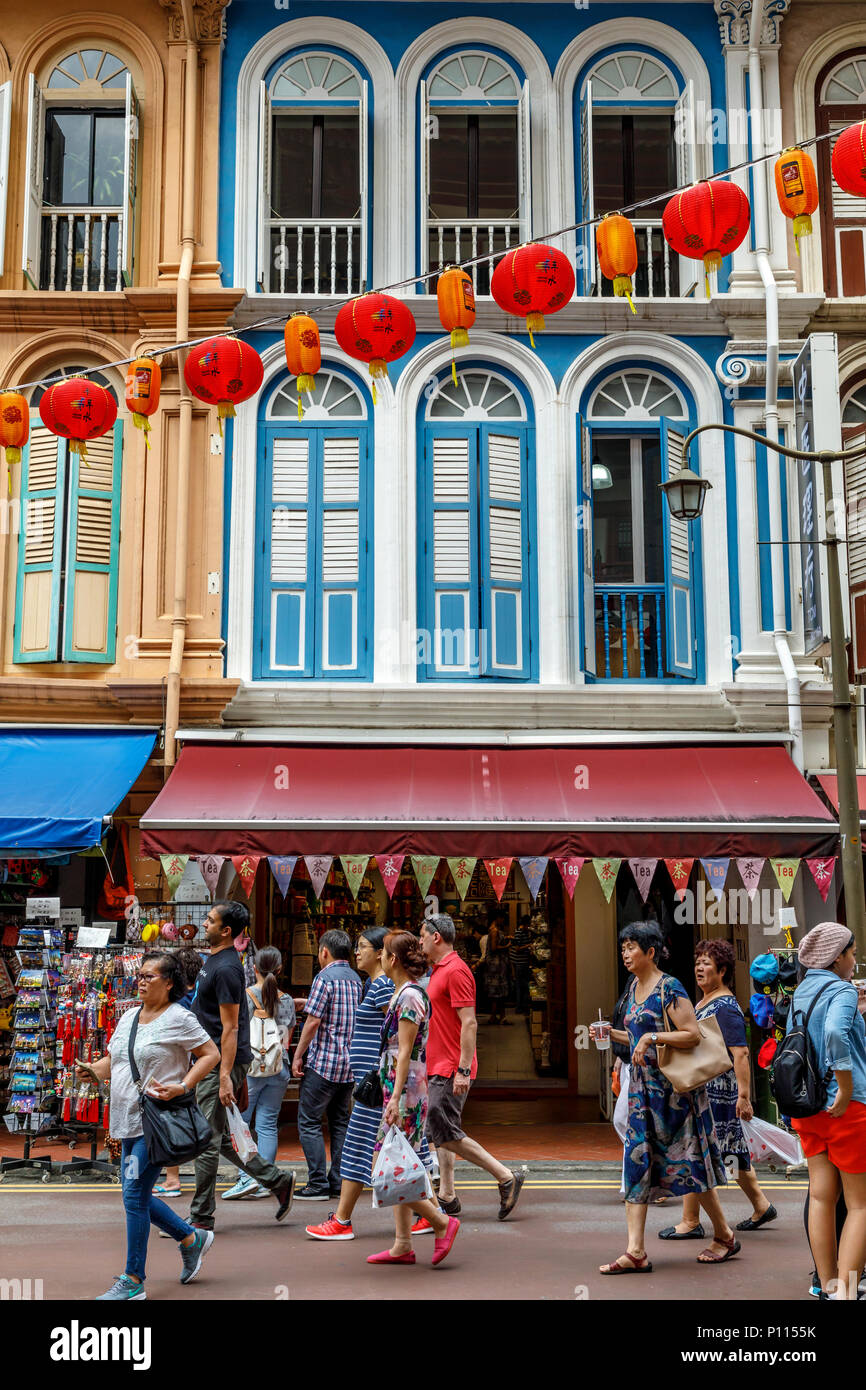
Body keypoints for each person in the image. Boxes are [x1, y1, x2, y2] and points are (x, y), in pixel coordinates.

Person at [592, 921, 737, 1274]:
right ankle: (635, 1251)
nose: (625, 954)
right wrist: (611, 1033)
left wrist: (651, 1039)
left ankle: (724, 1234)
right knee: (636, 1163)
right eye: (623, 948)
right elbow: (635, 1035)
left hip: (676, 1094)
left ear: (651, 952)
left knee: (692, 1165)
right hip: (643, 1093)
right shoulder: (633, 987)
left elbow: (691, 1034)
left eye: (632, 947)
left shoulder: (669, 987)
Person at [76, 952, 220, 1300]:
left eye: (149, 976)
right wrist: (93, 1070)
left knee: (133, 1196)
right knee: (134, 1194)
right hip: (125, 1119)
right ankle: (191, 1238)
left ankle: (133, 1280)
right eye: (139, 975)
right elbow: (115, 1060)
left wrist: (183, 1086)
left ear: (169, 983)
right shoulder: (129, 1016)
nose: (140, 981)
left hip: (155, 1122)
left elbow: (211, 1054)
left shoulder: (180, 1018)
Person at [188, 901, 296, 1230]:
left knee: (206, 1140)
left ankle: (201, 1217)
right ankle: (277, 1181)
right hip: (209, 1061)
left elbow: (232, 1027)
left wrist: (225, 1076)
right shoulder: (214, 961)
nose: (203, 924)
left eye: (210, 921)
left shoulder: (226, 968)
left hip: (217, 1063)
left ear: (226, 931)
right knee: (219, 1138)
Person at [660, 939, 776, 1241]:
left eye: (706, 963)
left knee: (696, 1149)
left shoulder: (724, 1007)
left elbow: (740, 1053)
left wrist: (744, 1096)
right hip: (706, 1088)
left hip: (718, 1093)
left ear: (722, 971)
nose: (699, 968)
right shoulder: (705, 1002)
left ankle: (690, 1221)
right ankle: (761, 1205)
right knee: (729, 1151)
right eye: (697, 962)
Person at [418, 913, 525, 1226]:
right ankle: (448, 1195)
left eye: (422, 935)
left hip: (451, 1065)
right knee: (442, 1128)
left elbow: (470, 1022)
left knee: (443, 1129)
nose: (420, 941)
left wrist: (463, 1069)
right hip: (438, 1062)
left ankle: (505, 1177)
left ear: (436, 937)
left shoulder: (456, 970)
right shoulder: (439, 969)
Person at [366, 931, 459, 1266]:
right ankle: (402, 1243)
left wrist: (394, 1097)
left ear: (393, 959)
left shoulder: (408, 996)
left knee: (385, 1165)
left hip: (404, 1089)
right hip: (400, 1085)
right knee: (400, 1163)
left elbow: (405, 1051)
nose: (379, 957)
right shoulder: (404, 992)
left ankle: (441, 1222)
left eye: (383, 952)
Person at [788, 921, 866, 1300]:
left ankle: (829, 1285)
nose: (854, 961)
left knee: (821, 1197)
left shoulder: (801, 991)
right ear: (837, 958)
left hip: (808, 1106)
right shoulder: (842, 990)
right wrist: (846, 1085)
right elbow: (835, 1032)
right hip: (845, 1107)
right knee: (860, 1205)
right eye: (852, 954)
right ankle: (847, 1293)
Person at [292, 928, 362, 1200]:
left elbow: (313, 1022)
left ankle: (317, 1183)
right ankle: (336, 1181)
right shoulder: (356, 979)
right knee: (340, 1123)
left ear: (324, 951)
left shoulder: (324, 977)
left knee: (309, 1121)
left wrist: (298, 1054)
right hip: (348, 1066)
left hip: (323, 1064)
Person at [222, 946, 296, 1201]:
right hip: (279, 1067)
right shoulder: (287, 999)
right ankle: (266, 1181)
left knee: (240, 1123)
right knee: (267, 1124)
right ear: (280, 969)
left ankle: (246, 1178)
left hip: (250, 1069)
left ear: (254, 969)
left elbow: (235, 1031)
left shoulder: (245, 996)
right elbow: (287, 1035)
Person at [154, 946, 204, 1199]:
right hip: (197, 1065)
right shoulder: (201, 992)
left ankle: (172, 1179)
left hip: (179, 1066)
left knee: (172, 1119)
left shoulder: (176, 1002)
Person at [484, 913, 511, 1025]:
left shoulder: (493, 930)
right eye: (502, 919)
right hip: (496, 965)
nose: (503, 921)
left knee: (496, 992)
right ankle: (499, 1016)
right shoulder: (494, 931)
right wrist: (507, 946)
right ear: (498, 918)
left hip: (495, 964)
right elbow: (494, 948)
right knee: (498, 992)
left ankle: (495, 1016)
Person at [509, 915, 533, 1016]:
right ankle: (520, 1007)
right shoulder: (519, 932)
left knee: (522, 986)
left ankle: (522, 1007)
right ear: (525, 924)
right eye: (529, 924)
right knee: (521, 986)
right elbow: (517, 948)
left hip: (523, 962)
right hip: (520, 963)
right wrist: (529, 945)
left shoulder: (525, 932)